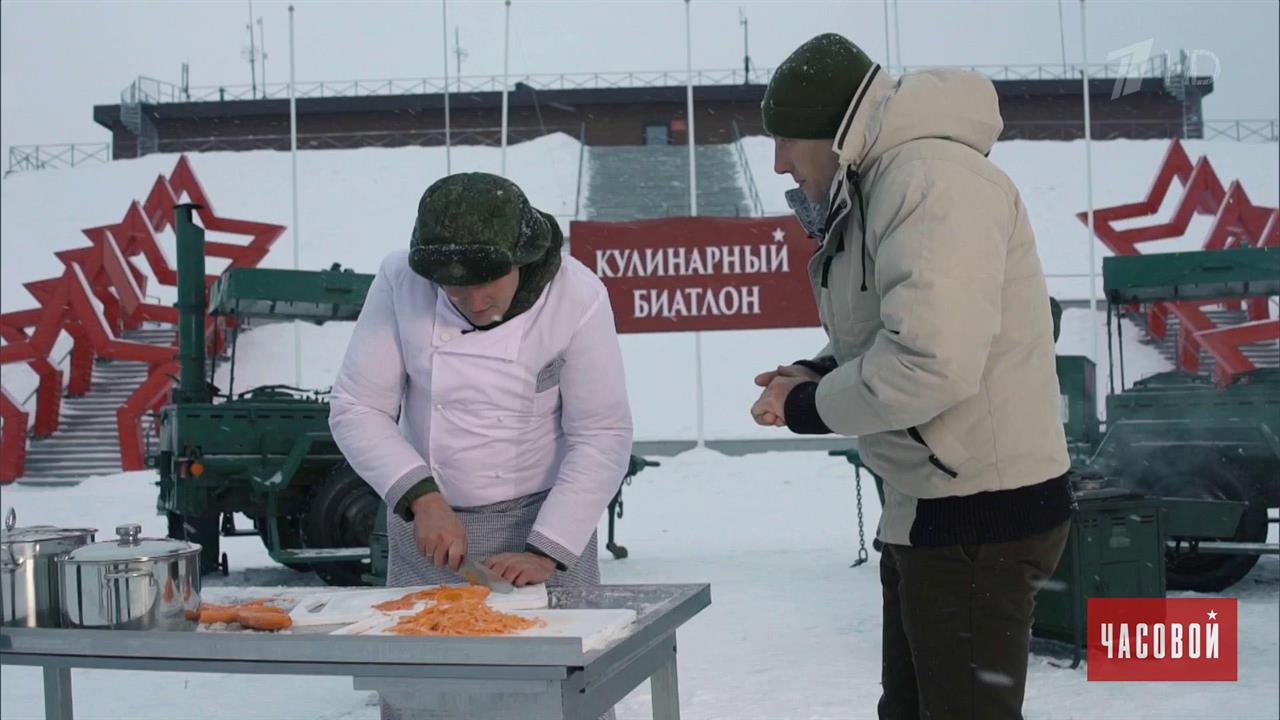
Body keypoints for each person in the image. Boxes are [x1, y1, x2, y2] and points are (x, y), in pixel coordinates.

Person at [749, 33, 1073, 720]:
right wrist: (816, 370)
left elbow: (931, 362)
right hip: (932, 508)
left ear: (834, 131)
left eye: (786, 141)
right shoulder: (882, 180)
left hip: (977, 518)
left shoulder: (928, 181)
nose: (778, 163)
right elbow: (893, 327)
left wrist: (809, 405)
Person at [329, 171, 632, 592]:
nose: (474, 303)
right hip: (430, 530)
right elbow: (357, 407)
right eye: (455, 289)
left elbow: (601, 432)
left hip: (545, 521)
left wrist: (547, 551)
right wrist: (422, 498)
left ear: (520, 259)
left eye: (488, 284)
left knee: (555, 633)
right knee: (428, 635)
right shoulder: (401, 281)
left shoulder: (576, 296)